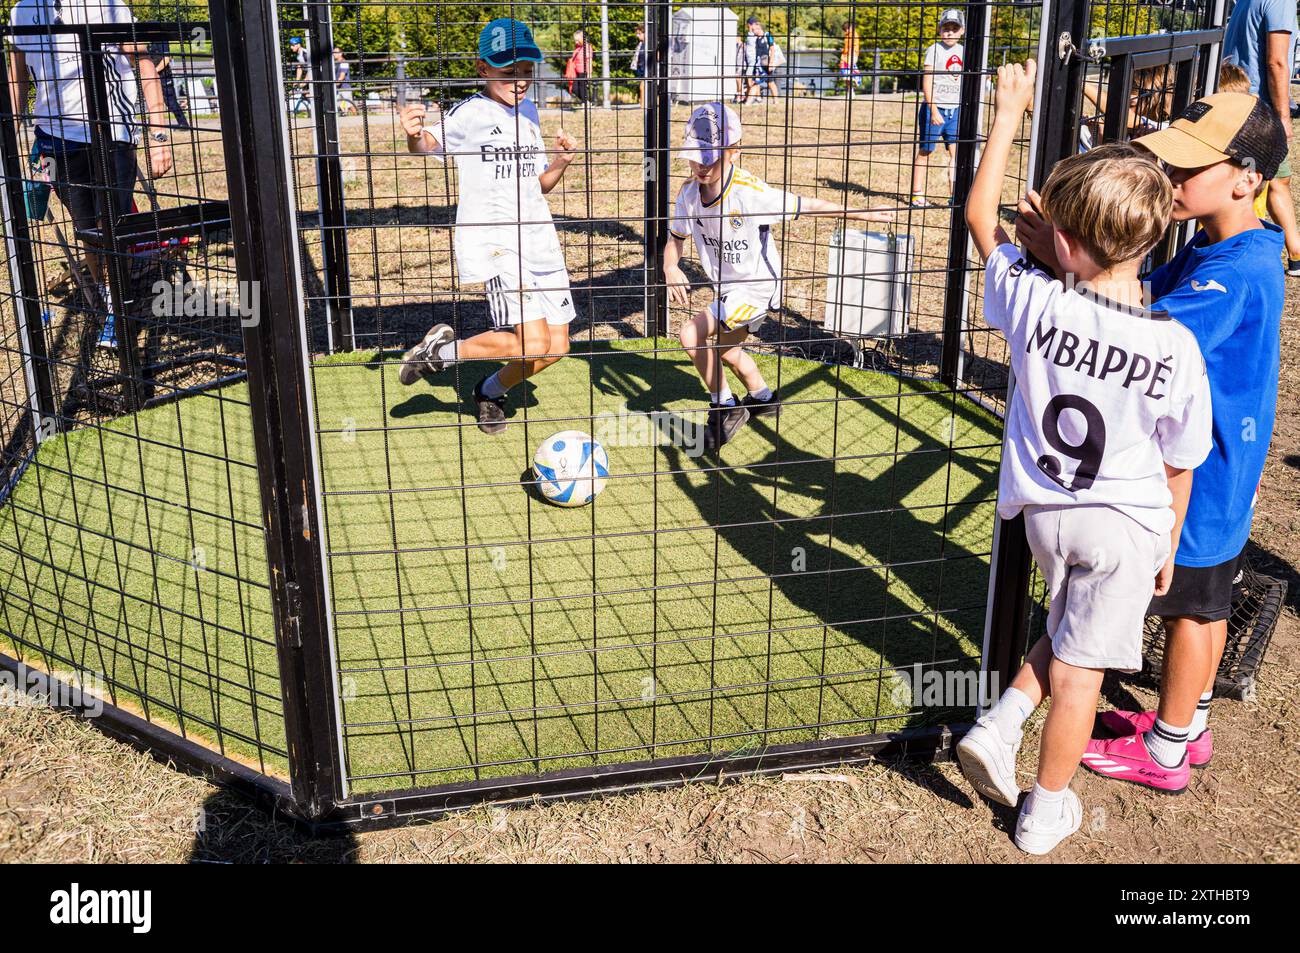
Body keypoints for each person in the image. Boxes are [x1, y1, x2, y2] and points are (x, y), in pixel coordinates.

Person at [957, 61, 1214, 855]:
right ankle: (1047, 808)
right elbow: (1182, 460)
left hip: (1047, 516)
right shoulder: (1175, 348)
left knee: (1070, 630)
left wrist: (1007, 113)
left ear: (1061, 242)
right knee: (1081, 673)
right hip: (1128, 524)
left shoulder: (1035, 300)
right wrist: (1170, 542)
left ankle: (1001, 724)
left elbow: (977, 218)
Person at [1038, 95, 1283, 792]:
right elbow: (1143, 294)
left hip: (1204, 469)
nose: (1169, 178)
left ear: (1244, 176)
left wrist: (1064, 265)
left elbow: (1138, 330)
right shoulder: (1233, 244)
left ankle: (1170, 749)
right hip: (1222, 459)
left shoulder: (1229, 271)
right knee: (1204, 600)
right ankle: (1189, 722)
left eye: (1186, 167)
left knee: (1194, 609)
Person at [662, 103, 894, 450]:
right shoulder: (688, 195)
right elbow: (675, 240)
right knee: (726, 351)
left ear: (734, 152)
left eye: (710, 156)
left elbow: (809, 205)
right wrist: (670, 267)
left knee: (690, 335)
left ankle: (724, 408)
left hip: (756, 288)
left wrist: (866, 214)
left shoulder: (750, 192)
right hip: (727, 289)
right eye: (695, 156)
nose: (701, 165)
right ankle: (763, 398)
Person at [397, 18, 579, 434]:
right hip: (498, 243)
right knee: (532, 343)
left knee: (557, 348)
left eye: (527, 72)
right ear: (483, 69)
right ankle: (443, 353)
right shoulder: (471, 113)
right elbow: (428, 145)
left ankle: (489, 390)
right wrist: (412, 135)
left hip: (540, 241)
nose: (520, 81)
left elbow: (538, 187)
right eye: (508, 72)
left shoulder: (531, 112)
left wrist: (561, 163)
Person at [8, 0, 175, 349]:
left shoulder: (107, 4)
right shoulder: (22, 9)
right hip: (54, 141)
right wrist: (11, 135)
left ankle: (120, 308)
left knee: (110, 227)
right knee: (87, 230)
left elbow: (143, 61)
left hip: (110, 134)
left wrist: (159, 134)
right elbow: (18, 77)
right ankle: (111, 299)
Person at [1220, 0, 1300, 274]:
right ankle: (1249, 255)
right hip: (1259, 109)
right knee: (1257, 184)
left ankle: (1296, 253)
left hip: (1239, 99)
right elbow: (1277, 62)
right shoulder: (1282, 2)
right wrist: (1283, 117)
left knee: (1278, 179)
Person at [910, 9, 965, 207]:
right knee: (925, 151)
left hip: (955, 111)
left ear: (962, 31)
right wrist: (933, 110)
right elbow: (927, 82)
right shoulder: (934, 50)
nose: (950, 32)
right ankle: (916, 193)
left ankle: (954, 196)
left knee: (956, 154)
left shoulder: (964, 51)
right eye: (946, 28)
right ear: (940, 29)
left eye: (954, 28)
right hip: (934, 109)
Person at [147, 41, 189, 130]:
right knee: (153, 101)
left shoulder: (162, 41)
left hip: (164, 76)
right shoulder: (150, 42)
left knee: (171, 101)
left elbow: (166, 59)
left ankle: (183, 124)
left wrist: (155, 71)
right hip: (153, 76)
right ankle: (152, 124)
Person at [742, 16, 779, 102]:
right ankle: (748, 102)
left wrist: (771, 63)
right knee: (756, 82)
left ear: (759, 29)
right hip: (759, 64)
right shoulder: (756, 38)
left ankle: (776, 100)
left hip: (767, 63)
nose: (754, 31)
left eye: (755, 29)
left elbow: (772, 49)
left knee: (770, 82)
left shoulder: (767, 35)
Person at [567, 30, 595, 105]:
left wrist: (589, 73)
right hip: (576, 72)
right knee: (574, 89)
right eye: (575, 40)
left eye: (577, 40)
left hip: (584, 71)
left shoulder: (587, 48)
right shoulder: (577, 47)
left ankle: (585, 102)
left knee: (583, 88)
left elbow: (589, 61)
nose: (576, 42)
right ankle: (586, 101)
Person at [838, 22, 862, 90]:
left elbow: (851, 46)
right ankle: (851, 91)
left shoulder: (852, 35)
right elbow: (847, 46)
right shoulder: (848, 35)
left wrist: (846, 52)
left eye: (845, 30)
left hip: (851, 55)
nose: (845, 31)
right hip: (847, 56)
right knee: (846, 74)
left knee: (848, 72)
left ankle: (857, 79)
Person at [333, 47, 356, 115]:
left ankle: (357, 118)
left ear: (341, 53)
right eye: (333, 52)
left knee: (350, 105)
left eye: (335, 52)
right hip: (338, 87)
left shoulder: (344, 62)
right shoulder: (335, 63)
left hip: (345, 87)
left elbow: (342, 76)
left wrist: (336, 84)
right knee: (337, 104)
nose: (334, 54)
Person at [630, 24, 646, 106]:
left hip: (647, 67)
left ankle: (642, 105)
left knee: (642, 87)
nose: (637, 36)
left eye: (639, 34)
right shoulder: (640, 44)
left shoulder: (650, 44)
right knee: (642, 87)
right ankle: (642, 104)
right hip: (641, 67)